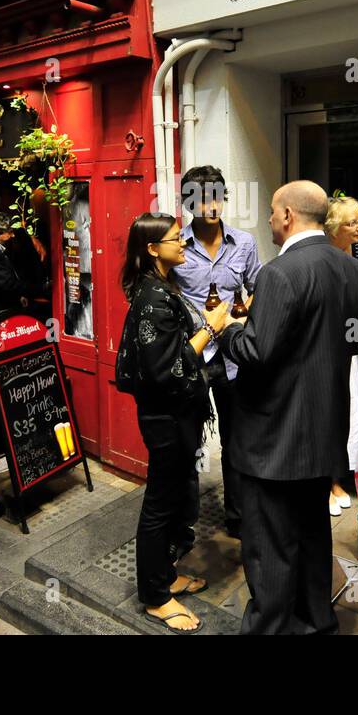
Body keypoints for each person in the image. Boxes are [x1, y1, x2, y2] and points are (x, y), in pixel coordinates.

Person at [216, 181, 358, 635]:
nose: (267, 220)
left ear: (287, 216)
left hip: (275, 437)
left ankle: (270, 627)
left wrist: (228, 328)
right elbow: (346, 339)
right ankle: (317, 619)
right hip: (323, 429)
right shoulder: (353, 270)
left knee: (268, 547)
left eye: (270, 212)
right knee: (310, 534)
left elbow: (258, 352)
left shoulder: (279, 274)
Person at [116, 213, 231, 633]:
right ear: (152, 249)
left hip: (178, 416)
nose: (183, 244)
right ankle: (154, 597)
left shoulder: (164, 287)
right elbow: (169, 366)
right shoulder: (154, 298)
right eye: (175, 239)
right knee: (160, 505)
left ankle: (165, 575)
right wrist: (213, 329)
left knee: (178, 496)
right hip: (165, 420)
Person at [175, 165, 261, 541]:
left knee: (237, 439)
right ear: (188, 202)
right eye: (202, 196)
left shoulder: (243, 243)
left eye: (217, 195)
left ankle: (239, 517)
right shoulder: (175, 246)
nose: (211, 204)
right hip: (193, 357)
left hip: (231, 358)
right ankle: (184, 523)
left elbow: (257, 285)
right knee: (188, 444)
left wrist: (241, 313)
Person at [323, 195, 358, 517]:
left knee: (354, 413)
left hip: (356, 343)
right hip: (327, 346)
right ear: (332, 228)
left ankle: (346, 476)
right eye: (350, 223)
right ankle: (328, 483)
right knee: (328, 414)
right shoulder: (322, 256)